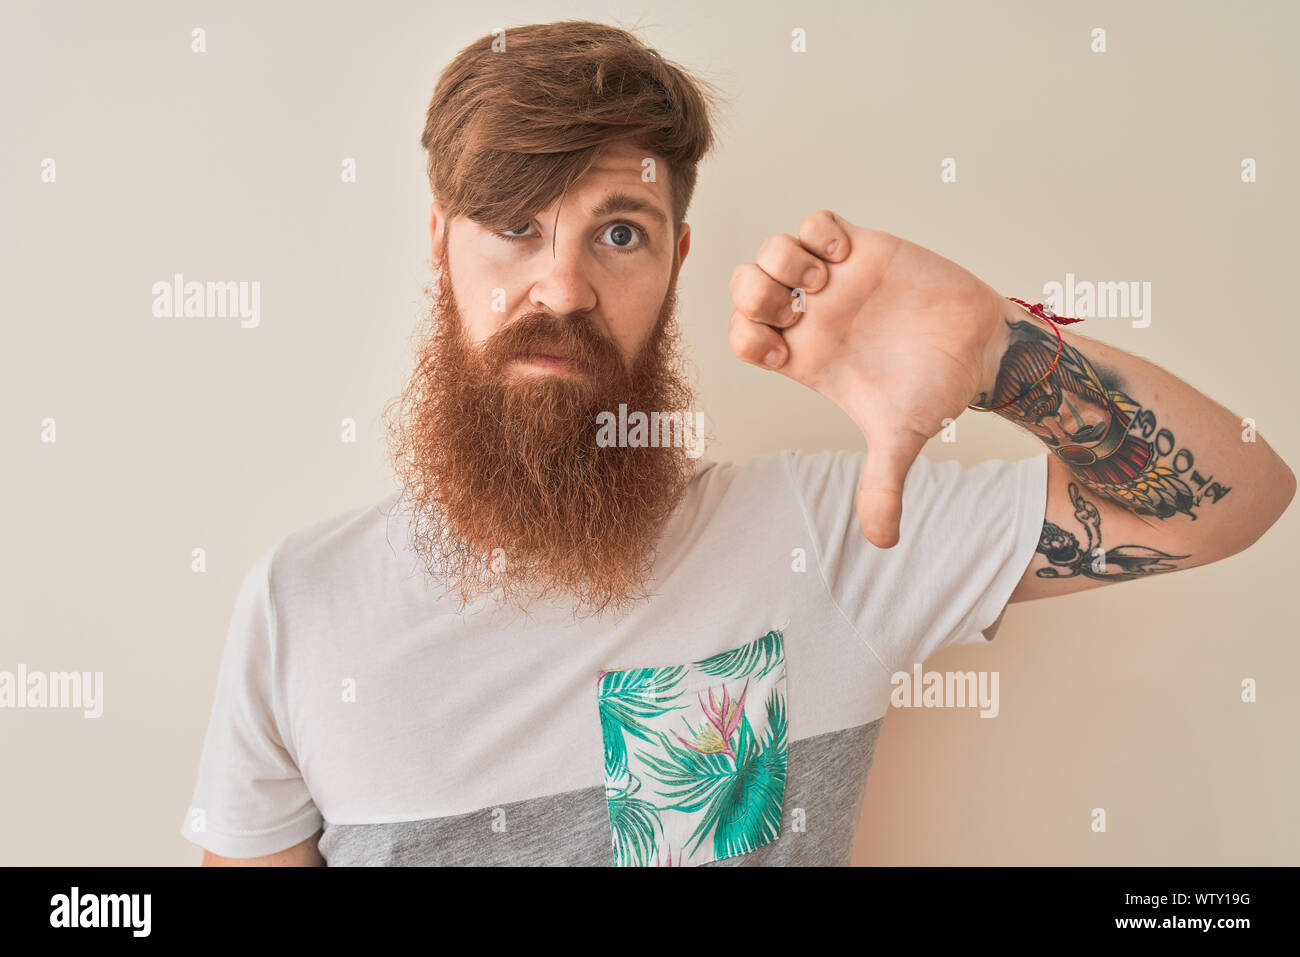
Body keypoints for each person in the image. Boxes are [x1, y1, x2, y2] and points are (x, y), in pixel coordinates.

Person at [180, 20, 1294, 867]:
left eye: (619, 231)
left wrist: (1007, 353)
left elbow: (1236, 495)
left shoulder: (827, 540)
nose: (562, 286)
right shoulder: (301, 604)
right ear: (439, 241)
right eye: (515, 224)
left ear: (674, 259)